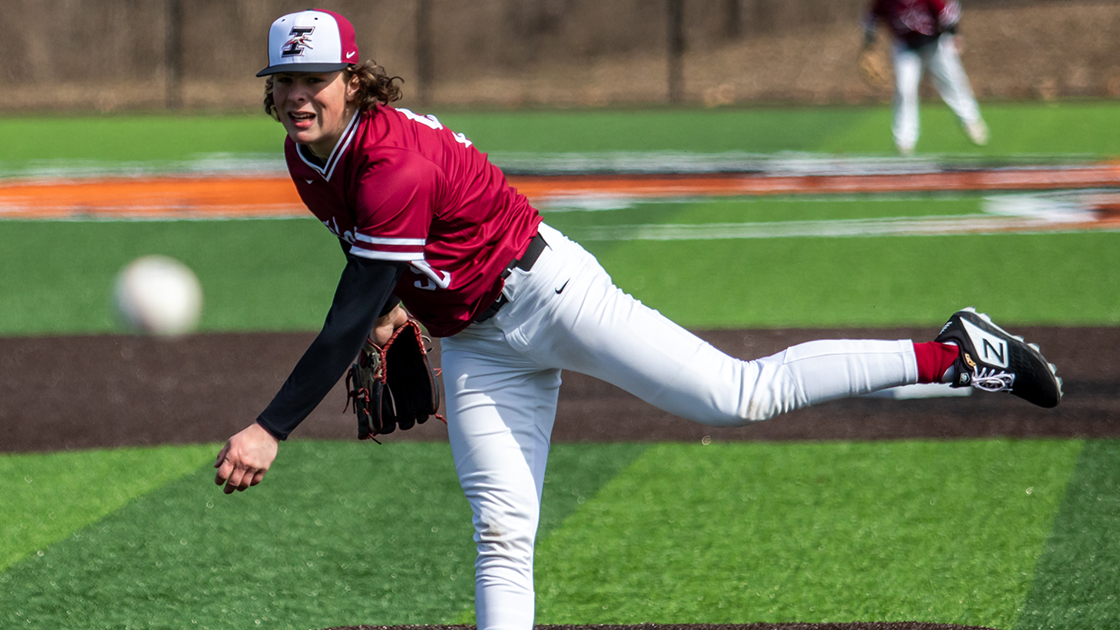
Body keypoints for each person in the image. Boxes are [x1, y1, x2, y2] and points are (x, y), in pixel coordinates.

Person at [214, 9, 1061, 630]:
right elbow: (386, 269)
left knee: (737, 395)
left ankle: (953, 355)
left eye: (313, 78)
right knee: (503, 531)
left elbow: (351, 303)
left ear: (354, 79)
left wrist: (271, 427)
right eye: (283, 81)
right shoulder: (307, 150)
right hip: (478, 340)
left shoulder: (388, 157)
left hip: (551, 296)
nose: (296, 96)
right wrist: (407, 302)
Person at [861, 0, 988, 155]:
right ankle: (905, 141)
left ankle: (971, 120)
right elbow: (871, 17)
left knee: (953, 83)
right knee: (904, 90)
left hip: (935, 44)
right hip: (906, 48)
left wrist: (954, 33)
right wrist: (868, 42)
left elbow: (945, 13)